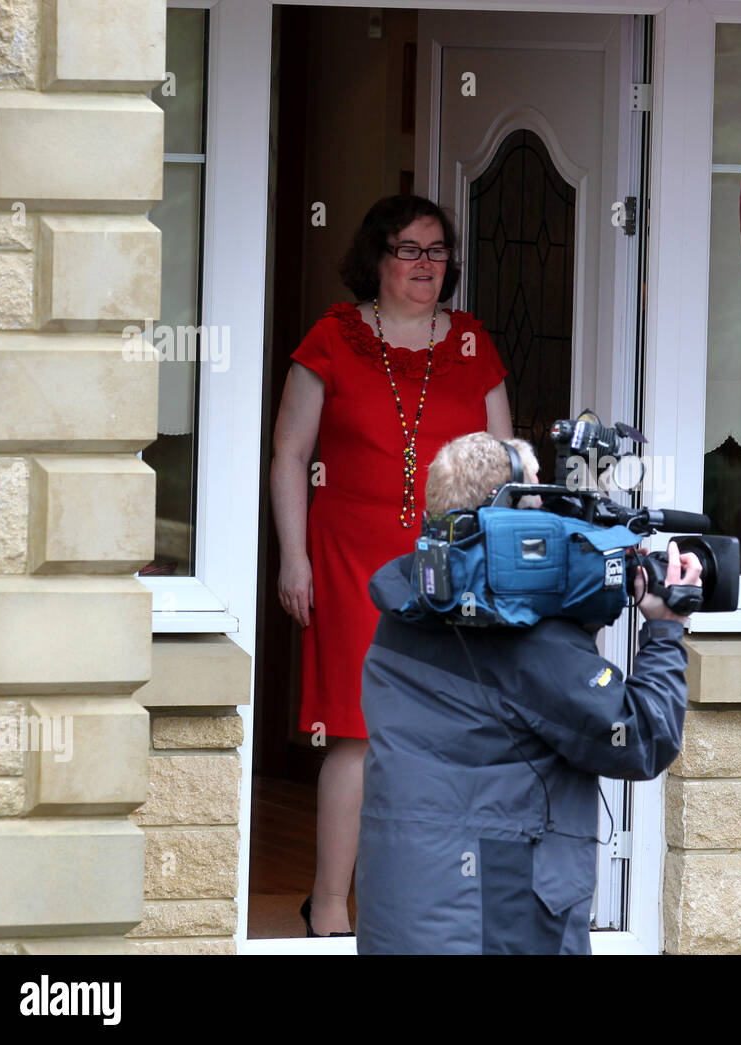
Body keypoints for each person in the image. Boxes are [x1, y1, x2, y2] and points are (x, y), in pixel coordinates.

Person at [354, 432, 699, 953]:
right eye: (540, 497)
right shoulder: (531, 646)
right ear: (510, 515)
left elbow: (496, 713)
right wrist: (667, 628)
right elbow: (643, 736)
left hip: (403, 915)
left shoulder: (403, 614)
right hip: (496, 921)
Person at [270, 195, 512, 937]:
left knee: (445, 731)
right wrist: (292, 556)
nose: (424, 266)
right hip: (346, 556)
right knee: (356, 730)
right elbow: (288, 454)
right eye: (408, 250)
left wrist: (500, 561)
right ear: (376, 257)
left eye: (437, 252)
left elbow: (504, 466)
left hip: (449, 558)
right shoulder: (332, 338)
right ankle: (333, 905)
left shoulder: (474, 343)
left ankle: (418, 904)